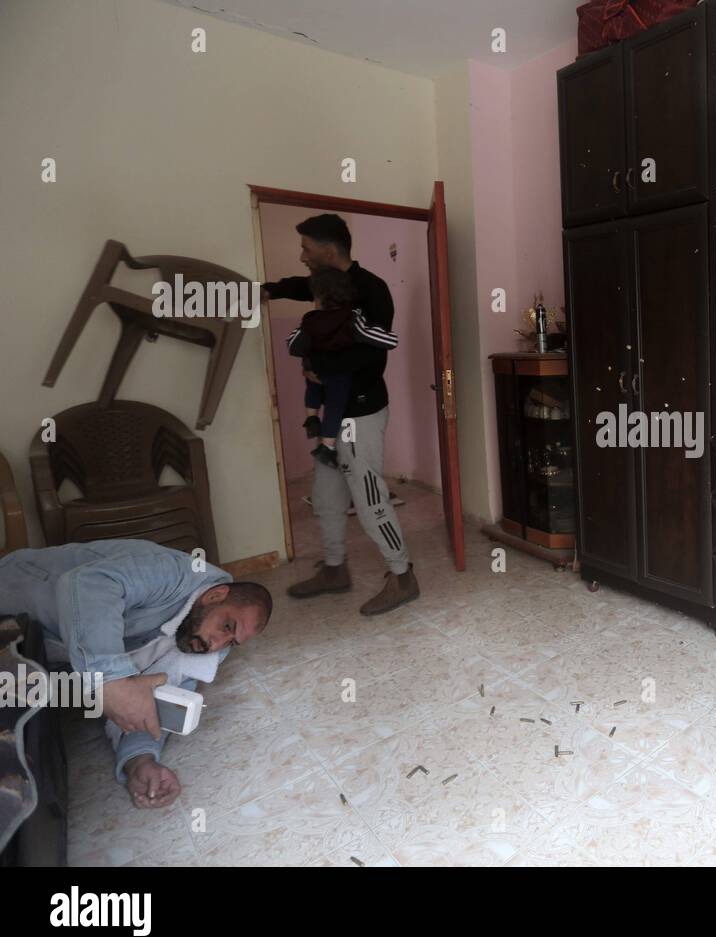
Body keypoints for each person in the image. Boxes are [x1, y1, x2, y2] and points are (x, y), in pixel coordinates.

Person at [0, 539, 272, 810]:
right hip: (14, 593)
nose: (217, 644)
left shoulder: (202, 644)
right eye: (227, 626)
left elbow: (154, 698)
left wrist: (140, 760)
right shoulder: (172, 573)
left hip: (41, 653)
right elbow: (86, 583)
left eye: (232, 641)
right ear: (215, 595)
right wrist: (111, 679)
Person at [264, 213, 419, 616]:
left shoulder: (372, 290)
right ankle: (335, 570)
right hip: (333, 414)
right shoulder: (323, 287)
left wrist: (322, 368)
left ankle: (402, 576)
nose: (301, 256)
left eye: (306, 249)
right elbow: (296, 286)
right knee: (327, 499)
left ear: (329, 251)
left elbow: (375, 350)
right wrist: (262, 290)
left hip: (360, 412)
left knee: (369, 500)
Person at [288, 268, 364, 470]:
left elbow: (293, 346)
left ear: (319, 296)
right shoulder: (351, 316)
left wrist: (307, 358)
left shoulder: (311, 318)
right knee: (334, 407)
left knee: (312, 386)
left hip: (315, 368)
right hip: (339, 372)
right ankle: (327, 447)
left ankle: (311, 418)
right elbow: (371, 337)